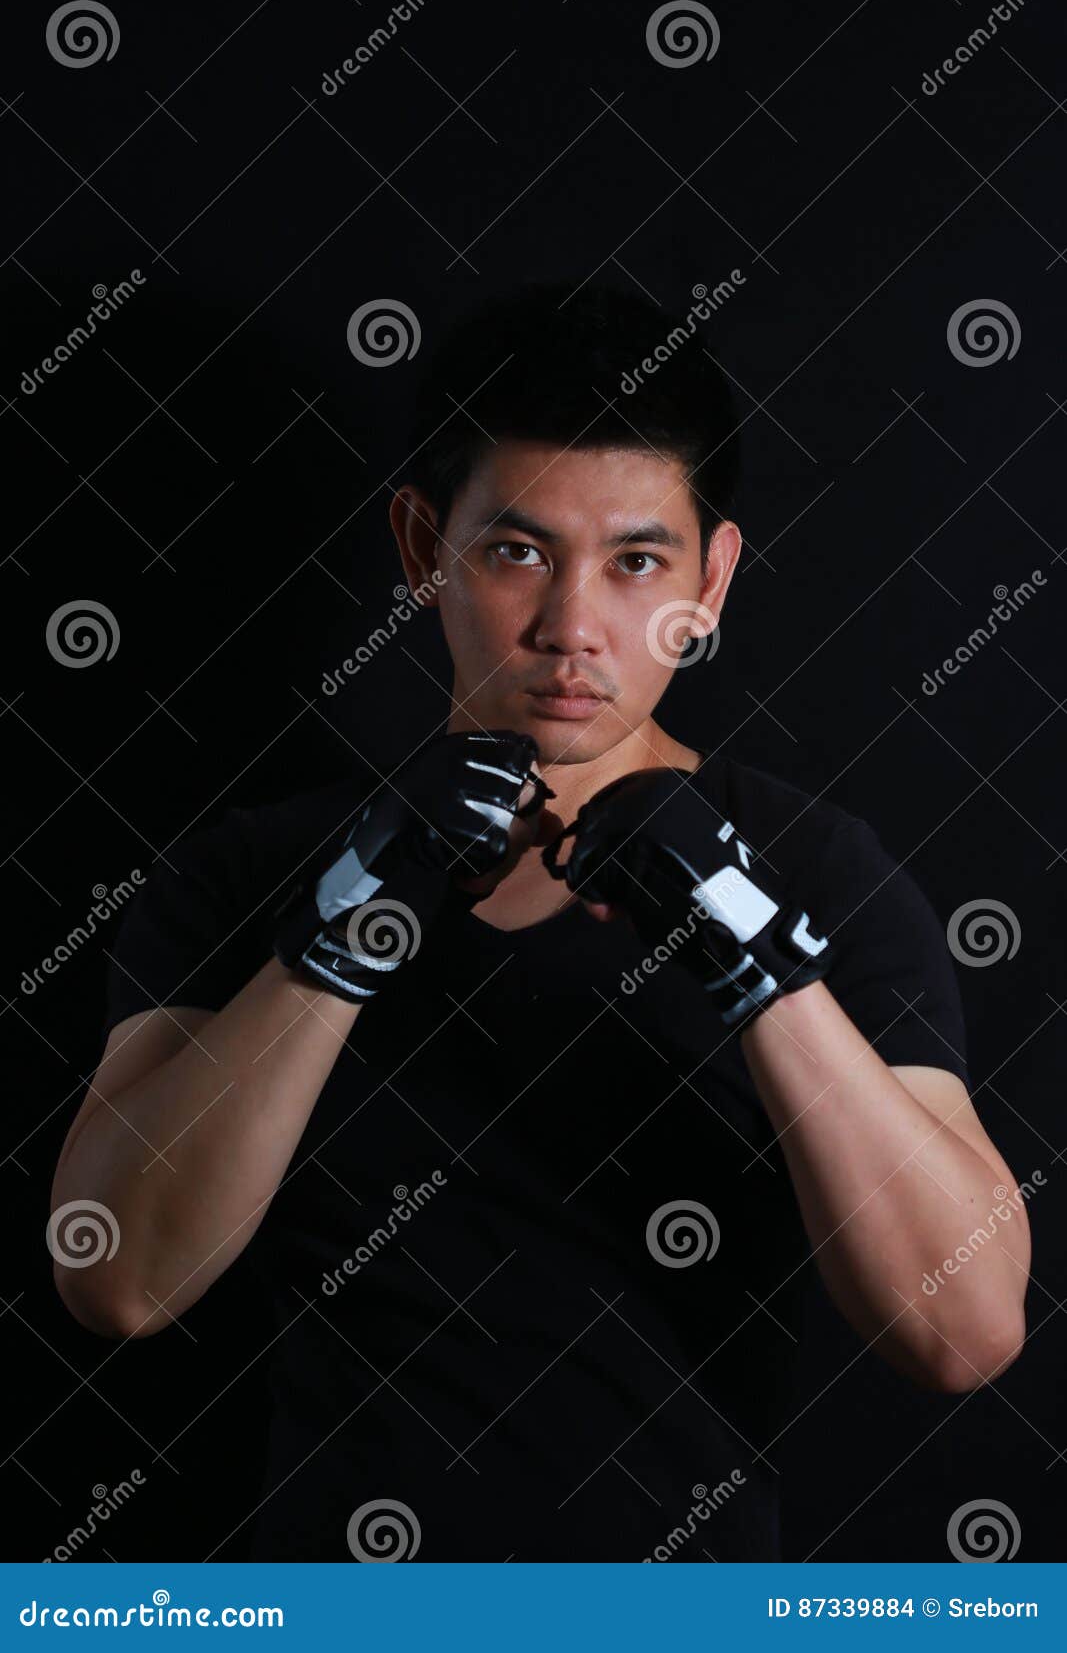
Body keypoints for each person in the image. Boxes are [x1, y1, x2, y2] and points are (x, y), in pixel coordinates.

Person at [50, 282, 1030, 1562]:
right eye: (516, 552)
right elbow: (115, 1279)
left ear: (711, 577)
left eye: (635, 562)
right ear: (421, 552)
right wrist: (343, 935)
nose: (572, 629)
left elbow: (959, 1330)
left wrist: (756, 956)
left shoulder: (820, 877)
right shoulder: (256, 871)